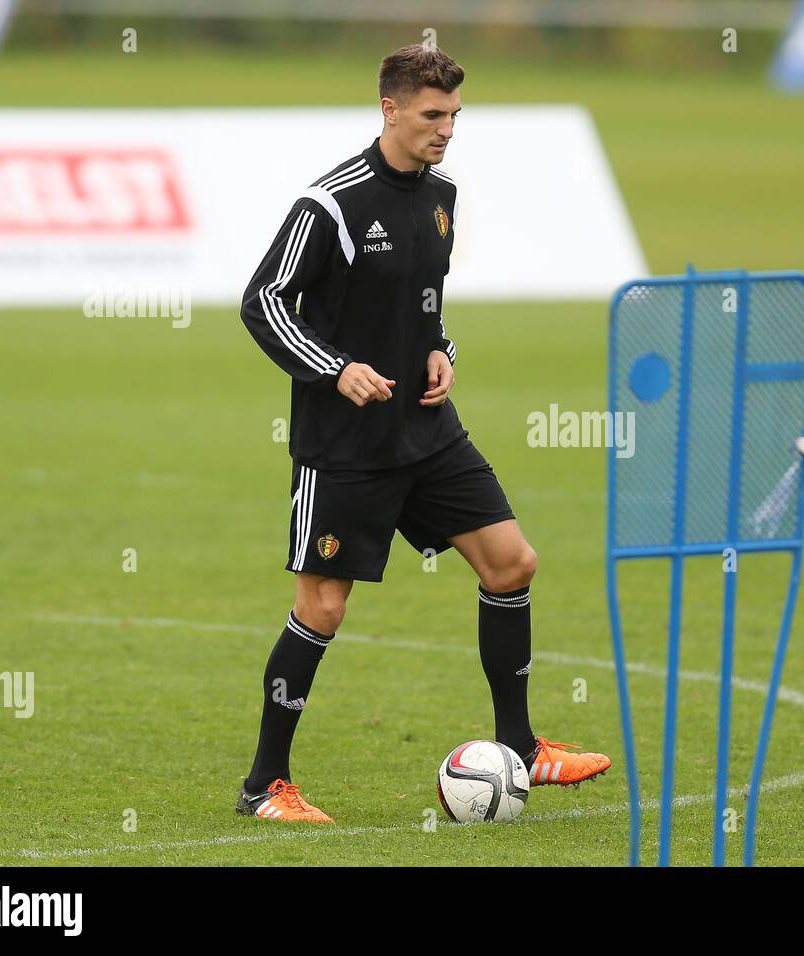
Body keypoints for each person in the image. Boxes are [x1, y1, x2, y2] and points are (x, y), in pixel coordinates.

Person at [234, 44, 610, 822]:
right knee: (323, 609)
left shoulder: (442, 194)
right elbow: (264, 301)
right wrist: (337, 368)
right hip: (346, 449)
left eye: (454, 117)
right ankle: (264, 785)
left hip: (430, 433)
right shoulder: (330, 206)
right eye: (433, 115)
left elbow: (424, 305)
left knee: (512, 564)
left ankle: (524, 747)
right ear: (390, 110)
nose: (446, 130)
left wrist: (442, 351)